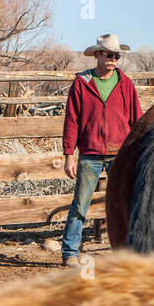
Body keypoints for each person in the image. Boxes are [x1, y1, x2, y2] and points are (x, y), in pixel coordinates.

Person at [60, 34, 143, 266]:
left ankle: (129, 252)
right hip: (91, 153)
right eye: (108, 54)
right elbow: (72, 121)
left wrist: (138, 150)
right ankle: (70, 252)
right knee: (80, 204)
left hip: (121, 154)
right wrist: (69, 154)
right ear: (97, 54)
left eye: (116, 55)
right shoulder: (82, 83)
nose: (113, 59)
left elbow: (137, 119)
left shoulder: (125, 84)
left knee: (125, 202)